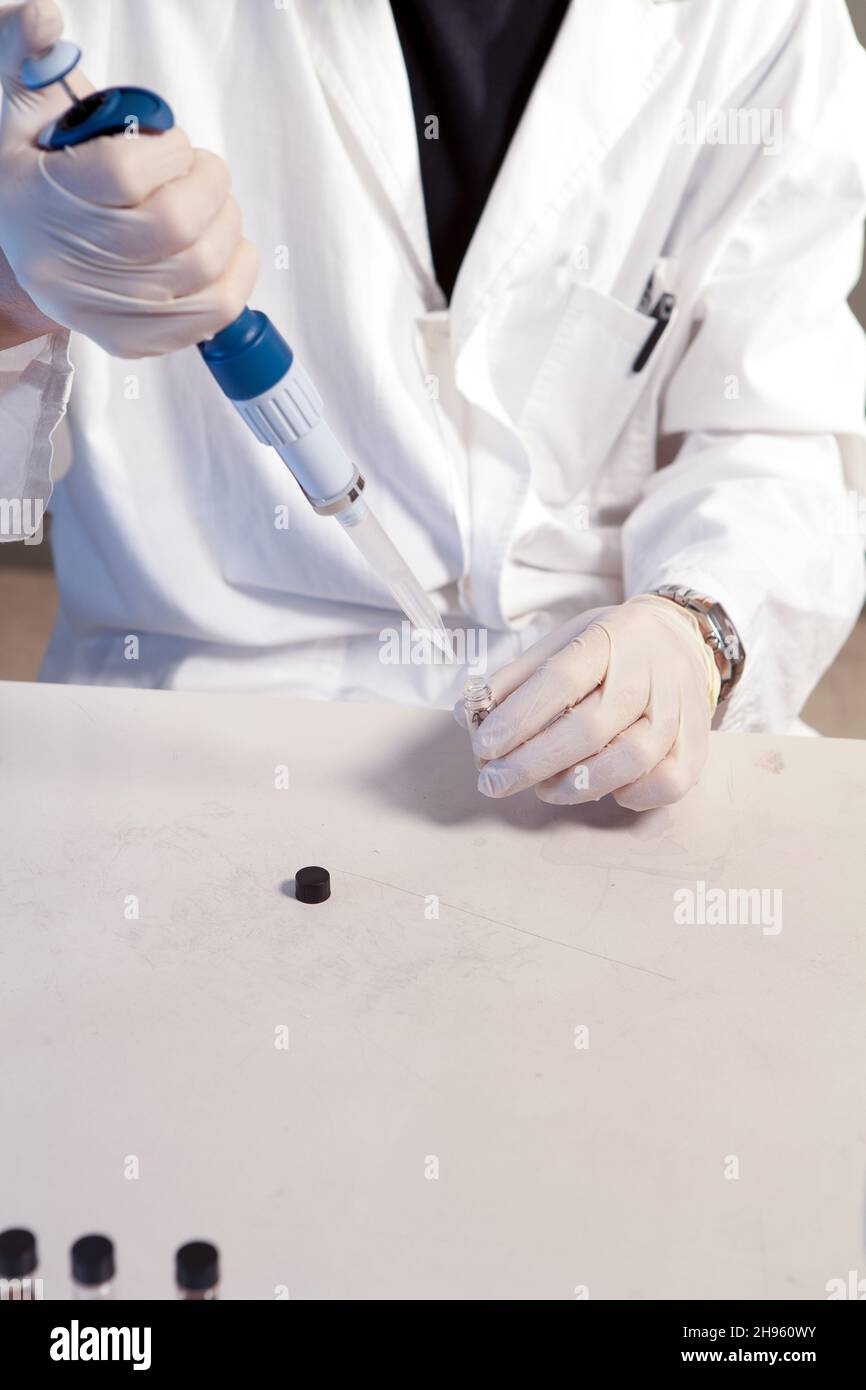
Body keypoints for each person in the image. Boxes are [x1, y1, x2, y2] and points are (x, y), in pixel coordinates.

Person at [1, 0, 864, 811]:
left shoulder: (762, 20)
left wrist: (697, 624)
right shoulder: (55, 28)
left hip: (604, 706)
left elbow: (781, 426)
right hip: (192, 715)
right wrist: (11, 303)